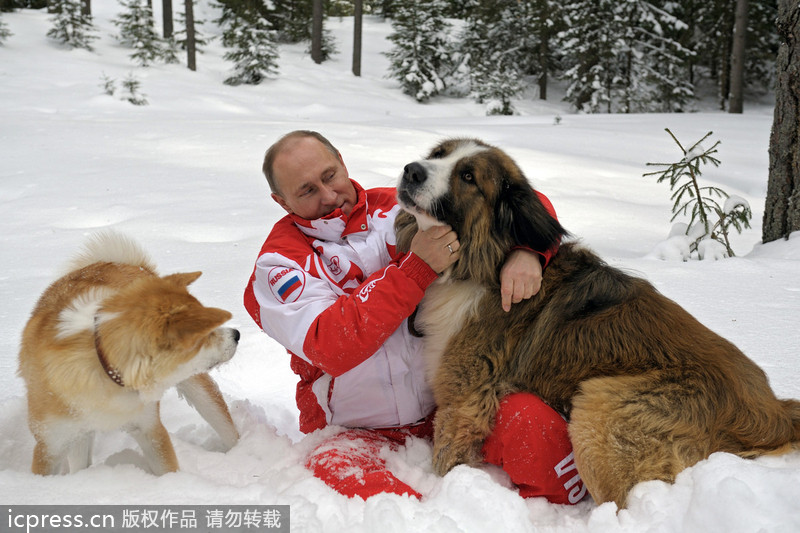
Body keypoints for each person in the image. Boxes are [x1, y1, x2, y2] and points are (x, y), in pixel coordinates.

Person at [243, 130, 586, 504]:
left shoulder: (398, 206)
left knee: (531, 423)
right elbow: (331, 345)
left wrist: (529, 250)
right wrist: (415, 268)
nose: (328, 197)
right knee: (358, 487)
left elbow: (520, 199)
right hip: (354, 432)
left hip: (446, 409)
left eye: (330, 176)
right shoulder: (278, 265)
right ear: (281, 201)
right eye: (307, 191)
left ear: (342, 161)